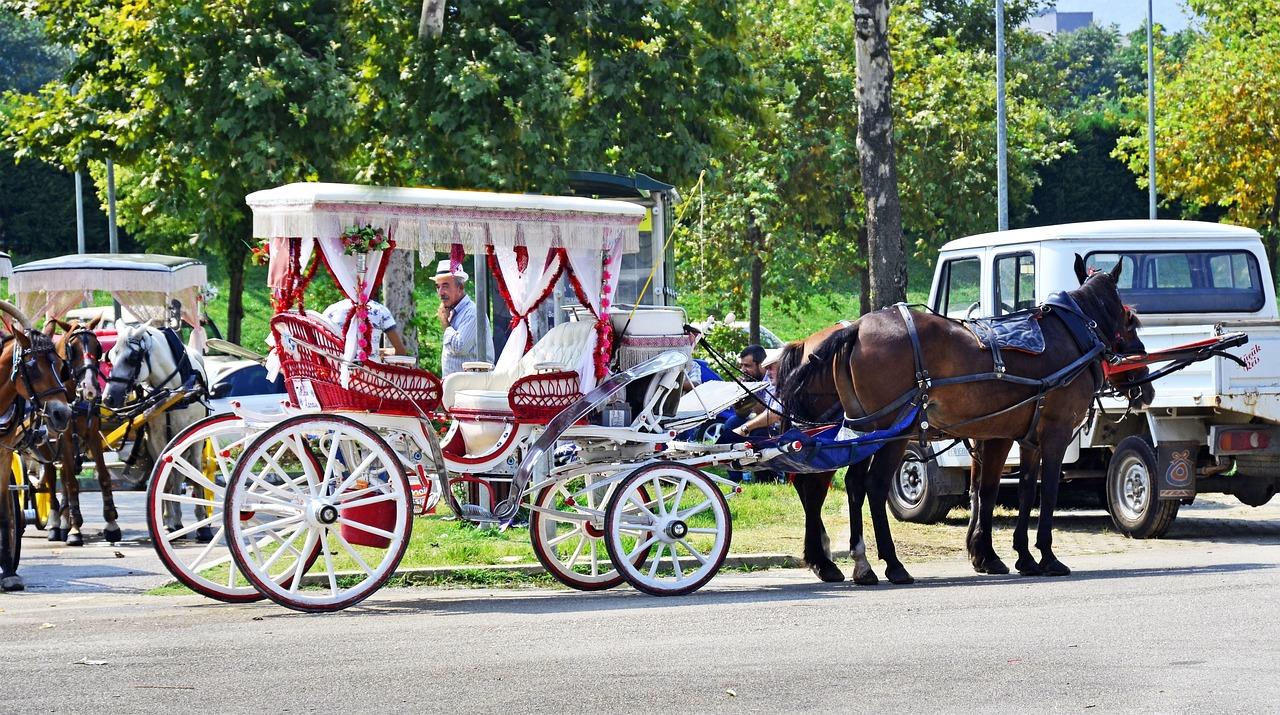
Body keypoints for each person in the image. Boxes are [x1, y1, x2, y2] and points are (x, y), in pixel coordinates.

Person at [435, 259, 493, 377]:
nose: (440, 292)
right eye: (438, 287)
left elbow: (459, 347)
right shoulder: (453, 311)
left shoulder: (472, 312)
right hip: (460, 387)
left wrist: (446, 324)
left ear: (460, 287)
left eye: (445, 286)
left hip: (472, 389)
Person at [322, 297, 407, 359]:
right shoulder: (380, 310)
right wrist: (378, 352)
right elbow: (401, 352)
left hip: (335, 374)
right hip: (372, 377)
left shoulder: (331, 310)